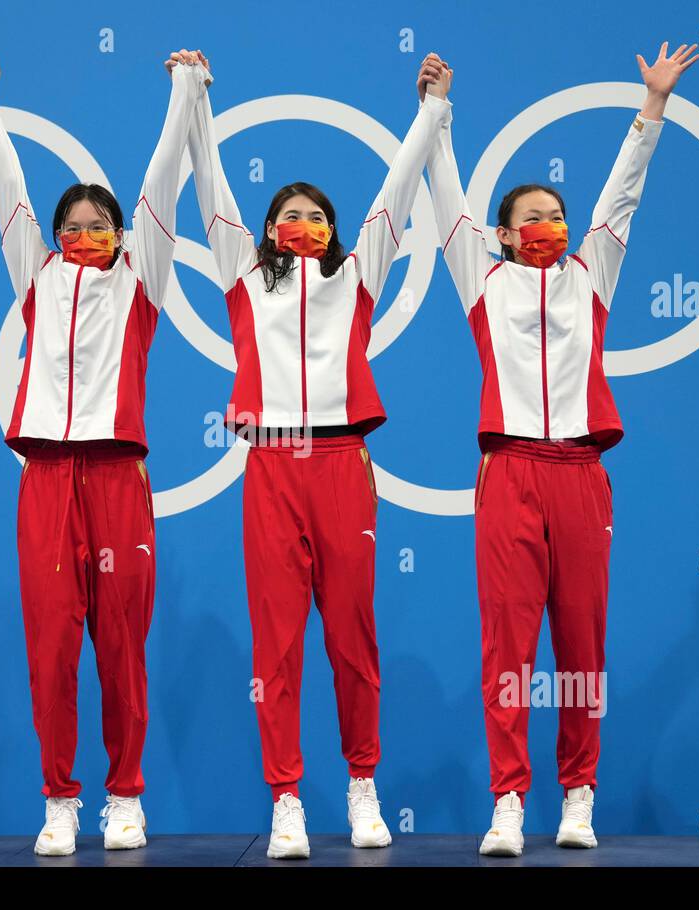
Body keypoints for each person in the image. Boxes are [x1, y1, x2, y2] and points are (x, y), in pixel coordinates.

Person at [423, 44, 699, 856]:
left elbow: (625, 195)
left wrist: (652, 109)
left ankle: (578, 796)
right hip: (507, 473)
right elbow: (444, 202)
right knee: (507, 643)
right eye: (531, 217)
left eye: (556, 215)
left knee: (581, 641)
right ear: (503, 235)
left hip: (581, 473)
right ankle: (509, 801)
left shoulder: (593, 274)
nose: (547, 226)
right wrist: (436, 112)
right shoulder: (482, 278)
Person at [184, 51, 453, 858]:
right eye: (287, 215)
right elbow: (210, 187)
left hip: (342, 465)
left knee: (351, 634)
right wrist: (194, 96)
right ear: (268, 230)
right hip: (269, 464)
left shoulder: (355, 279)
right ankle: (287, 799)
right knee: (277, 640)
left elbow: (398, 192)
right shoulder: (244, 278)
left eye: (316, 215)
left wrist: (431, 109)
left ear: (335, 230)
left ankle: (363, 784)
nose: (302, 224)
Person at [0, 48, 209, 856]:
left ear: (121, 236)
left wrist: (182, 90)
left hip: (115, 478)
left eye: (98, 227)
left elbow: (162, 181)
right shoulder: (35, 278)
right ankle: (61, 800)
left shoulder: (141, 284)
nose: (80, 237)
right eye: (69, 227)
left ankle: (126, 796)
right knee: (52, 649)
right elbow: (7, 188)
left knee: (121, 648)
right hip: (45, 480)